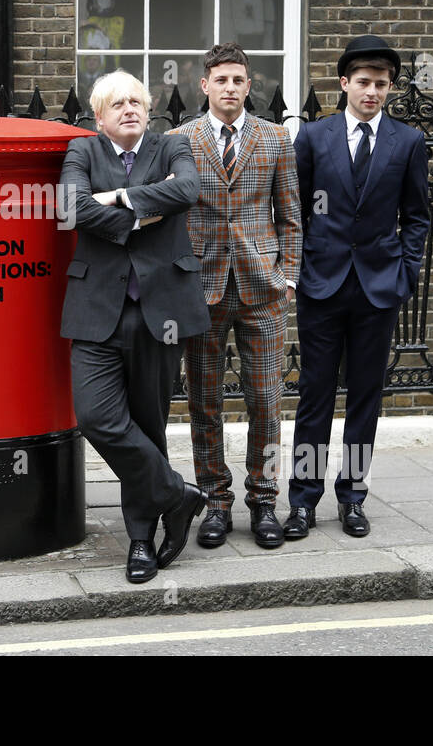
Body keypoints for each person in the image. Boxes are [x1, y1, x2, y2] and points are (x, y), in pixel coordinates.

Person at [60, 69, 210, 584]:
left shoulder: (173, 147)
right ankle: (177, 494)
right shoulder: (82, 152)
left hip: (161, 308)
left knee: (148, 425)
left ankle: (141, 541)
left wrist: (120, 199)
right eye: (117, 103)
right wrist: (148, 210)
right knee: (96, 417)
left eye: (137, 101)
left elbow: (189, 189)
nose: (130, 109)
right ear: (99, 117)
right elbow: (69, 207)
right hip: (96, 307)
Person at [286, 34, 431, 539]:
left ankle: (352, 497)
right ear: (344, 83)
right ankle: (303, 500)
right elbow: (296, 212)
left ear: (390, 88)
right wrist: (298, 266)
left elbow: (417, 217)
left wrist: (405, 270)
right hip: (321, 284)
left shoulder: (407, 143)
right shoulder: (313, 137)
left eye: (381, 84)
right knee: (314, 395)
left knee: (366, 396)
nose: (372, 92)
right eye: (364, 82)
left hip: (377, 287)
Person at [169, 42, 302, 550]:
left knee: (265, 401)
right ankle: (214, 503)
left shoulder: (275, 139)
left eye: (238, 80)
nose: (229, 88)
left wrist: (288, 276)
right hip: (201, 290)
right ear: (204, 85)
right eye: (220, 79)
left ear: (250, 86)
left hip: (262, 289)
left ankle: (264, 501)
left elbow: (291, 215)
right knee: (204, 405)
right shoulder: (180, 140)